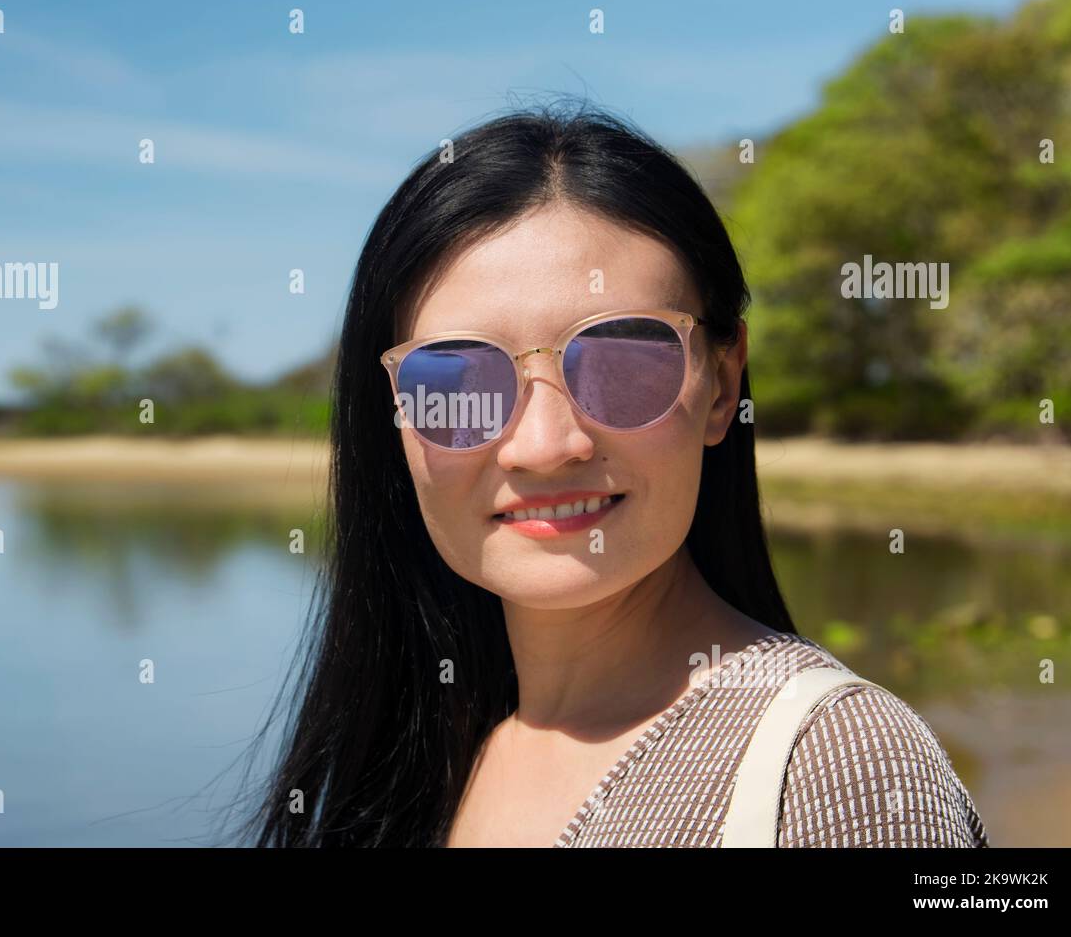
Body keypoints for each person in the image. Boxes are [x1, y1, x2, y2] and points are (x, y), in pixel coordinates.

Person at [241, 100, 989, 848]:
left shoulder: (839, 773)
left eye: (623, 362)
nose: (542, 443)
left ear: (722, 387)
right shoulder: (426, 758)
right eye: (459, 380)